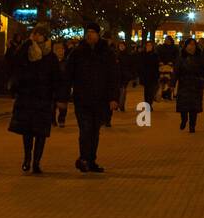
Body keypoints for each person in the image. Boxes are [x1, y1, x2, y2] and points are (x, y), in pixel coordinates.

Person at [64, 22, 121, 172]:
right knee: (85, 129)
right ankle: (84, 158)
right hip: (82, 99)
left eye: (92, 32)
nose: (89, 34)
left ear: (98, 34)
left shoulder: (107, 53)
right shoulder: (77, 53)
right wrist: (62, 97)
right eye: (87, 31)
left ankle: (90, 160)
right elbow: (68, 75)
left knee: (95, 131)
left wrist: (114, 98)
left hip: (100, 99)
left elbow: (113, 77)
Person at [8, 23, 65, 173]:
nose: (37, 36)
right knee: (27, 131)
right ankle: (27, 159)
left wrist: (59, 97)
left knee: (40, 133)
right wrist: (26, 43)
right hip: (27, 97)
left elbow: (56, 78)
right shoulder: (26, 51)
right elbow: (14, 60)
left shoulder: (50, 56)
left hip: (43, 98)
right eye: (35, 33)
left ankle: (36, 162)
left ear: (45, 36)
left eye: (40, 34)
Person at [174, 37, 204, 132]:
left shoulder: (199, 57)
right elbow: (176, 71)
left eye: (193, 44)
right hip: (184, 84)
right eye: (190, 44)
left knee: (194, 107)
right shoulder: (181, 57)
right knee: (183, 106)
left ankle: (192, 125)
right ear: (186, 46)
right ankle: (184, 120)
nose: (191, 46)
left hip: (196, 84)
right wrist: (172, 83)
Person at [138, 39, 159, 110]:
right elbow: (140, 65)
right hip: (145, 75)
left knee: (152, 91)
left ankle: (149, 103)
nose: (149, 47)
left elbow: (157, 66)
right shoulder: (142, 54)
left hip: (153, 75)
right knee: (146, 91)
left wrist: (157, 74)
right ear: (145, 46)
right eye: (148, 45)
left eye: (150, 45)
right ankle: (148, 104)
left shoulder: (155, 55)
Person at [52, 39, 70, 125]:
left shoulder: (67, 63)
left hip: (63, 87)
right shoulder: (51, 62)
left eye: (61, 49)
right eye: (57, 49)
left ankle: (61, 119)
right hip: (53, 87)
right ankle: (52, 119)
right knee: (52, 104)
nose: (60, 51)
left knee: (63, 105)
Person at [157, 35, 178, 100]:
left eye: (168, 40)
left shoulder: (174, 48)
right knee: (162, 79)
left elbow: (176, 57)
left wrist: (172, 62)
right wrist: (160, 61)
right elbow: (158, 55)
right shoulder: (161, 47)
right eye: (166, 39)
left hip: (170, 66)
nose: (167, 41)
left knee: (169, 79)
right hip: (162, 66)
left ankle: (169, 93)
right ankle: (163, 93)